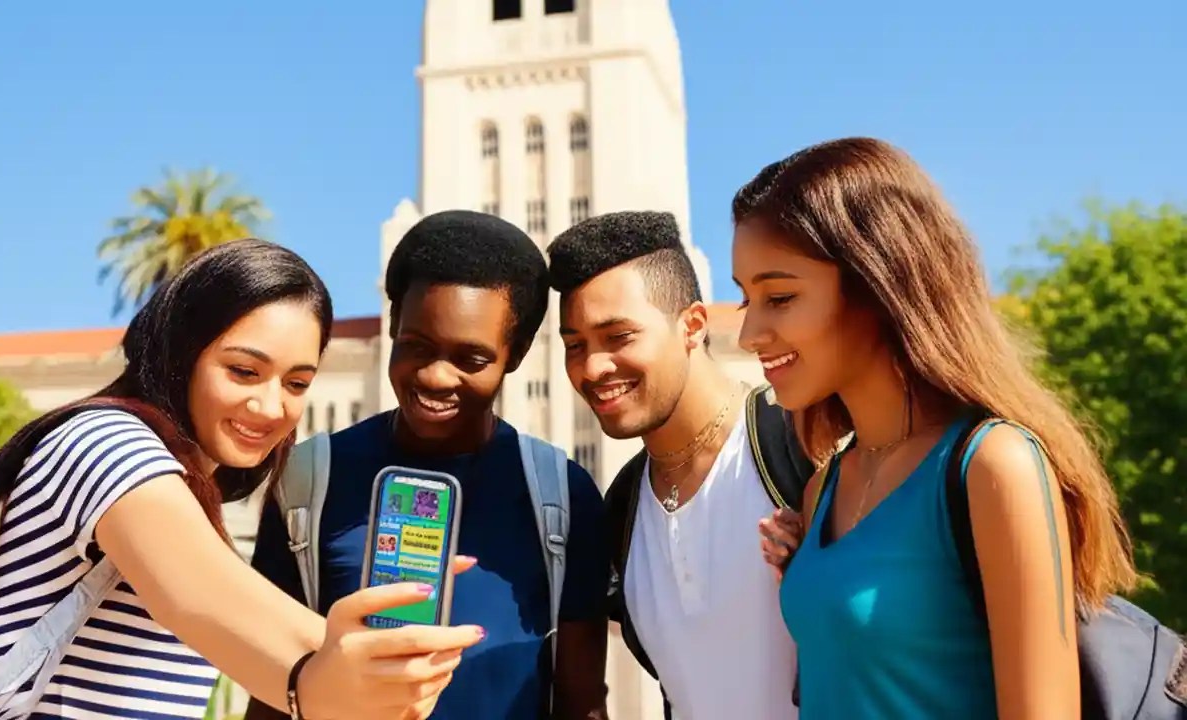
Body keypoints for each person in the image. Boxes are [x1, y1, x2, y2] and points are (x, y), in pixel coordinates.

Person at [0, 239, 485, 720]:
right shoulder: (105, 444)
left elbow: (278, 639)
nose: (271, 406)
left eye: (296, 383)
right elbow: (211, 605)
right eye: (244, 371)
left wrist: (379, 657)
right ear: (184, 353)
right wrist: (348, 673)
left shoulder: (189, 489)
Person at [741, 137, 1139, 718]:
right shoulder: (823, 486)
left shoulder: (994, 464)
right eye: (744, 296)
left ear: (877, 283)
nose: (750, 332)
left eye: (778, 296)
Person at [247, 211, 611, 720]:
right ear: (393, 323)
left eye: (471, 359)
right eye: (416, 347)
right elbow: (269, 696)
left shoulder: (562, 496)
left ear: (518, 353)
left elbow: (583, 703)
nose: (437, 377)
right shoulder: (310, 483)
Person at [545, 210, 810, 720]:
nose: (593, 367)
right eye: (575, 346)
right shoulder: (622, 506)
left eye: (619, 337)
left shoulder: (797, 444)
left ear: (691, 326)